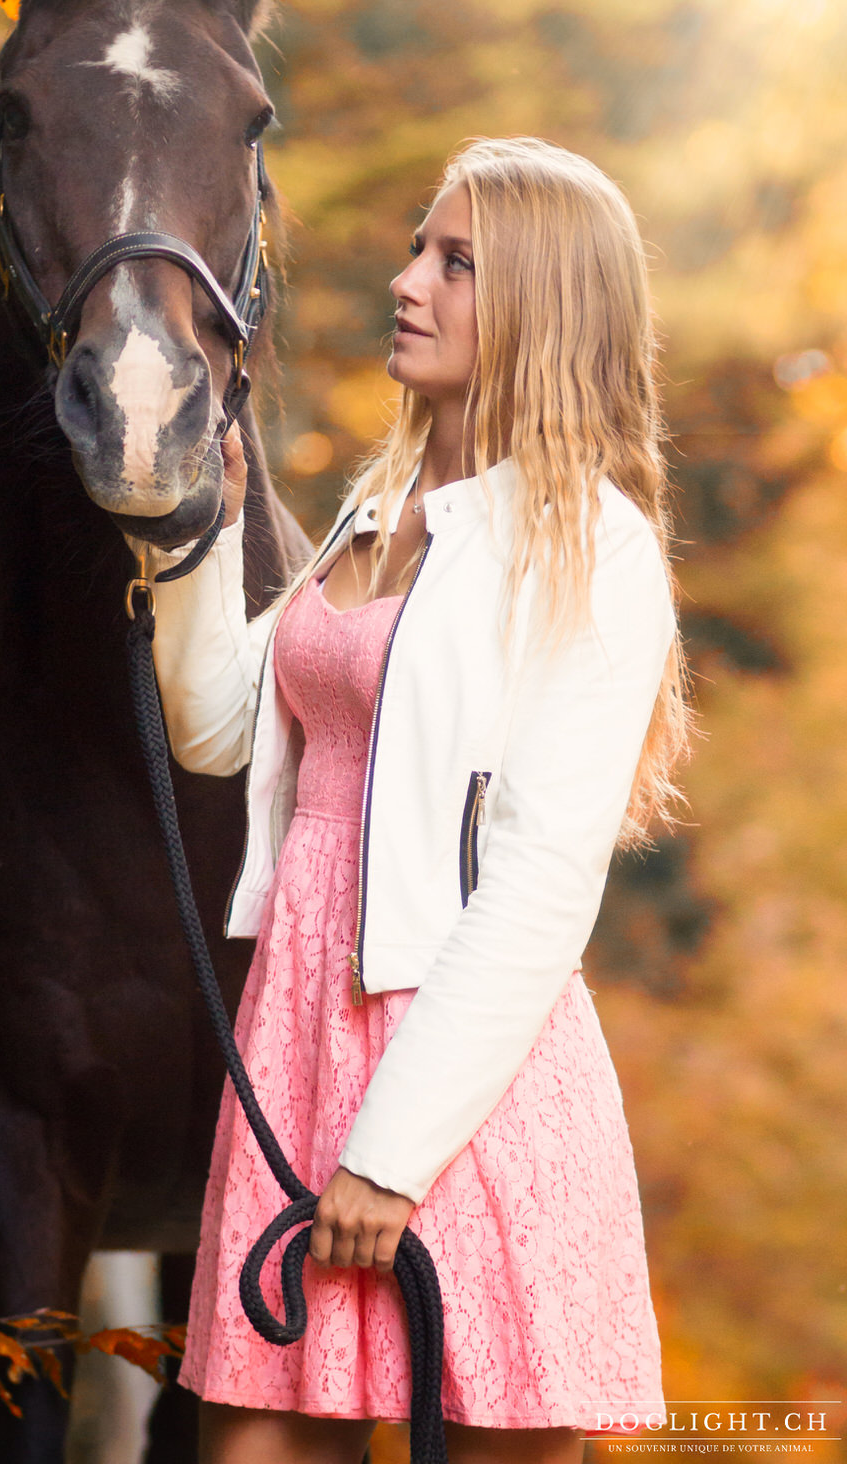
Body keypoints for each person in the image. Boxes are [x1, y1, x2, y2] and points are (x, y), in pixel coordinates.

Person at [143, 136, 691, 1464]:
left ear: (541, 309)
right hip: (297, 1039)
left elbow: (545, 882)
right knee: (256, 1442)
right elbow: (221, 728)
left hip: (465, 1082)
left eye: (456, 263)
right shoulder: (381, 508)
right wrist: (186, 529)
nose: (408, 282)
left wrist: (394, 1151)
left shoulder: (589, 545)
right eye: (415, 248)